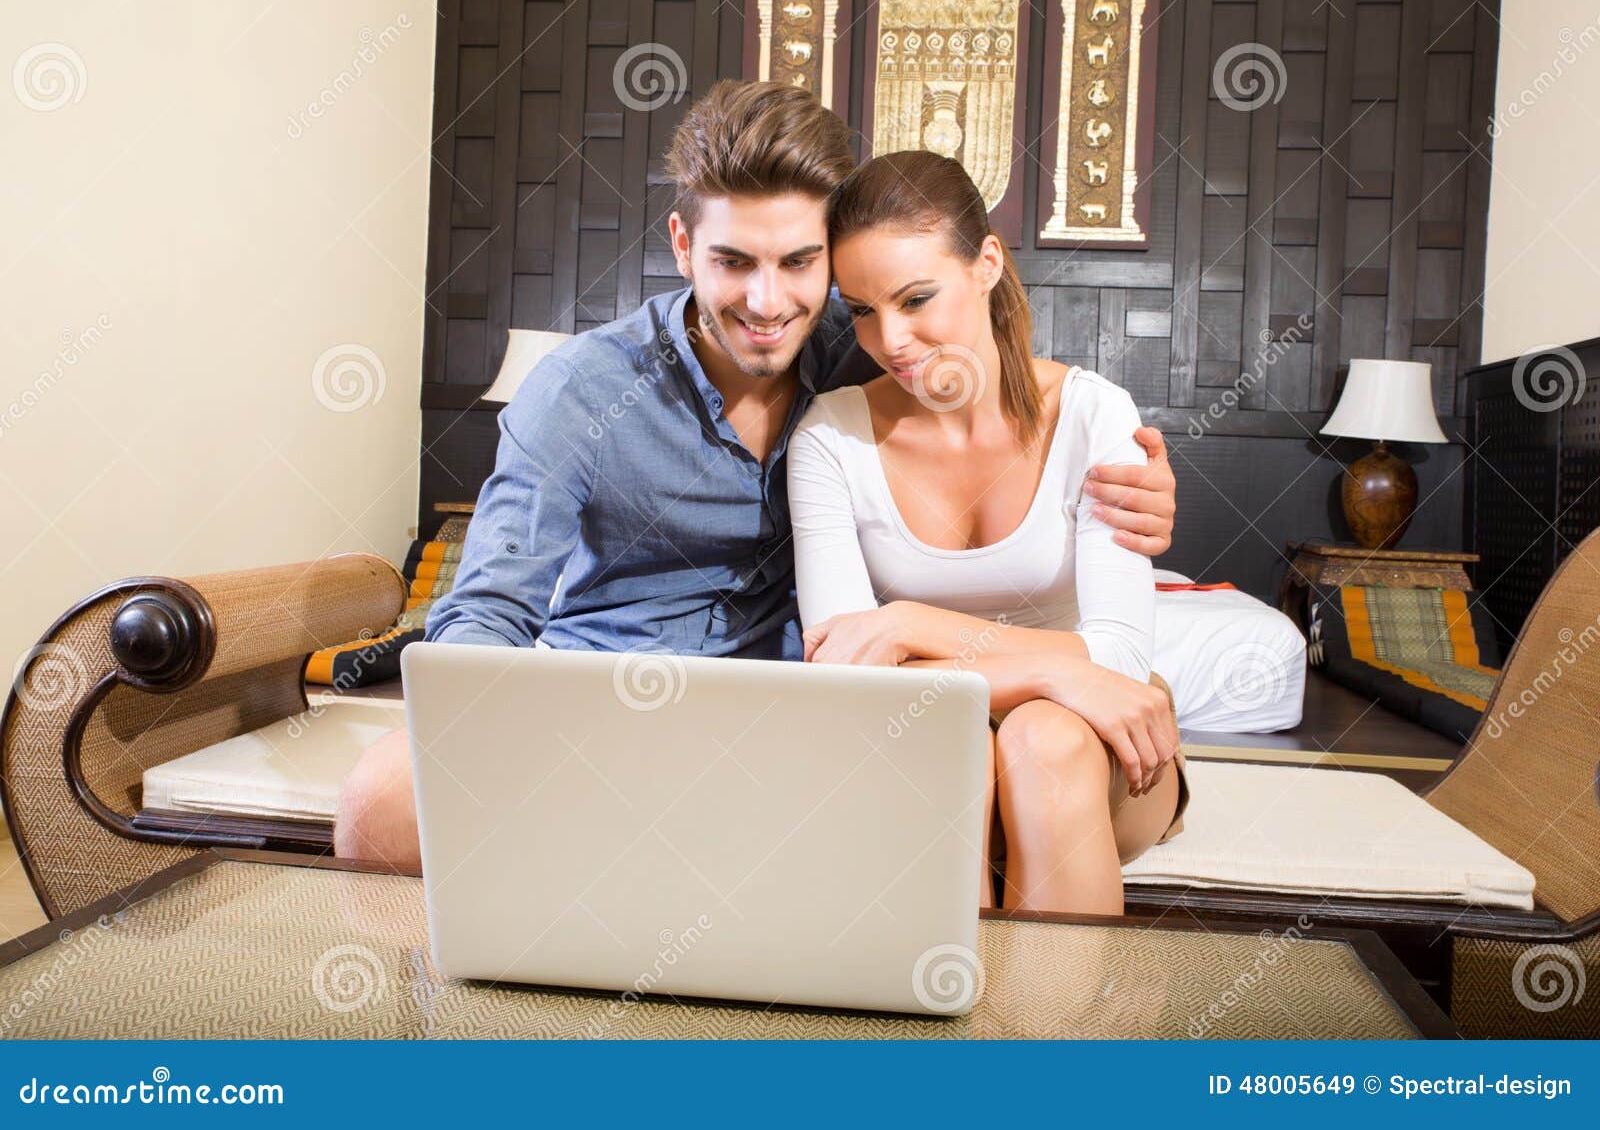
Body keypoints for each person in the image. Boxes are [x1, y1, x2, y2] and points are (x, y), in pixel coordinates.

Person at [332, 81, 1179, 871]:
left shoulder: (865, 353)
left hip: (789, 724)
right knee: (382, 794)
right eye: (734, 262)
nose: (769, 302)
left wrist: (1125, 471)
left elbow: (998, 387)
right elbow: (489, 607)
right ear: (682, 245)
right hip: (601, 703)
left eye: (800, 264)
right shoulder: (581, 388)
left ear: (833, 266)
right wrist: (495, 736)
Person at [788, 150, 1184, 916]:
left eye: (915, 298)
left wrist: (905, 624)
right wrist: (1062, 668)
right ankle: (950, 1027)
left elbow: (1122, 661)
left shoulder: (1094, 415)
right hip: (927, 736)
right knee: (943, 743)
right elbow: (846, 674)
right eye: (862, 310)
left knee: (1041, 740)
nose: (890, 339)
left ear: (987, 263)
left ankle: (1053, 1035)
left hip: (1097, 743)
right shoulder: (831, 438)